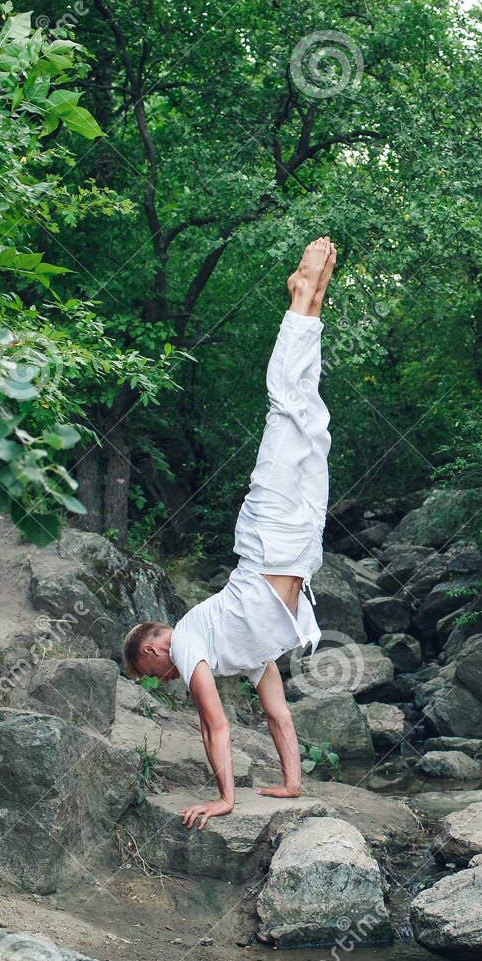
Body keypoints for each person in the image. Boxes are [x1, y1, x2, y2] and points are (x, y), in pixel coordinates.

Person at [122, 237, 337, 827]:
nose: (162, 680)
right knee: (310, 420)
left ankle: (301, 299)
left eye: (150, 673)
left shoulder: (188, 642)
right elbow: (277, 714)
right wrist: (291, 783)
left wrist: (225, 800)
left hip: (268, 538)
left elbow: (214, 725)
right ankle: (312, 305)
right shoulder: (239, 651)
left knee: (284, 412)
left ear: (153, 649)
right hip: (299, 547)